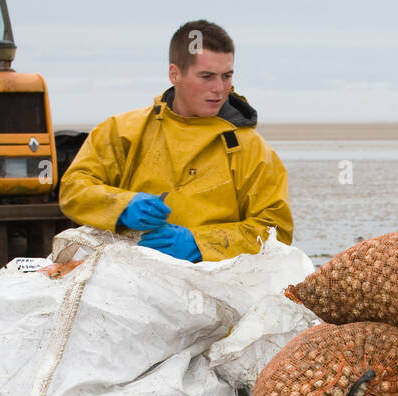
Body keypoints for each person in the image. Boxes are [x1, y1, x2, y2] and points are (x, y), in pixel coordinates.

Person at [58, 20, 292, 263]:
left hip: (218, 284)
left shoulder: (253, 149)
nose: (220, 89)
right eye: (207, 76)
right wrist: (122, 206)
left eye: (226, 76)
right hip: (129, 276)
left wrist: (199, 243)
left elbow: (277, 232)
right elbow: (74, 188)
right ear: (174, 74)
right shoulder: (122, 131)